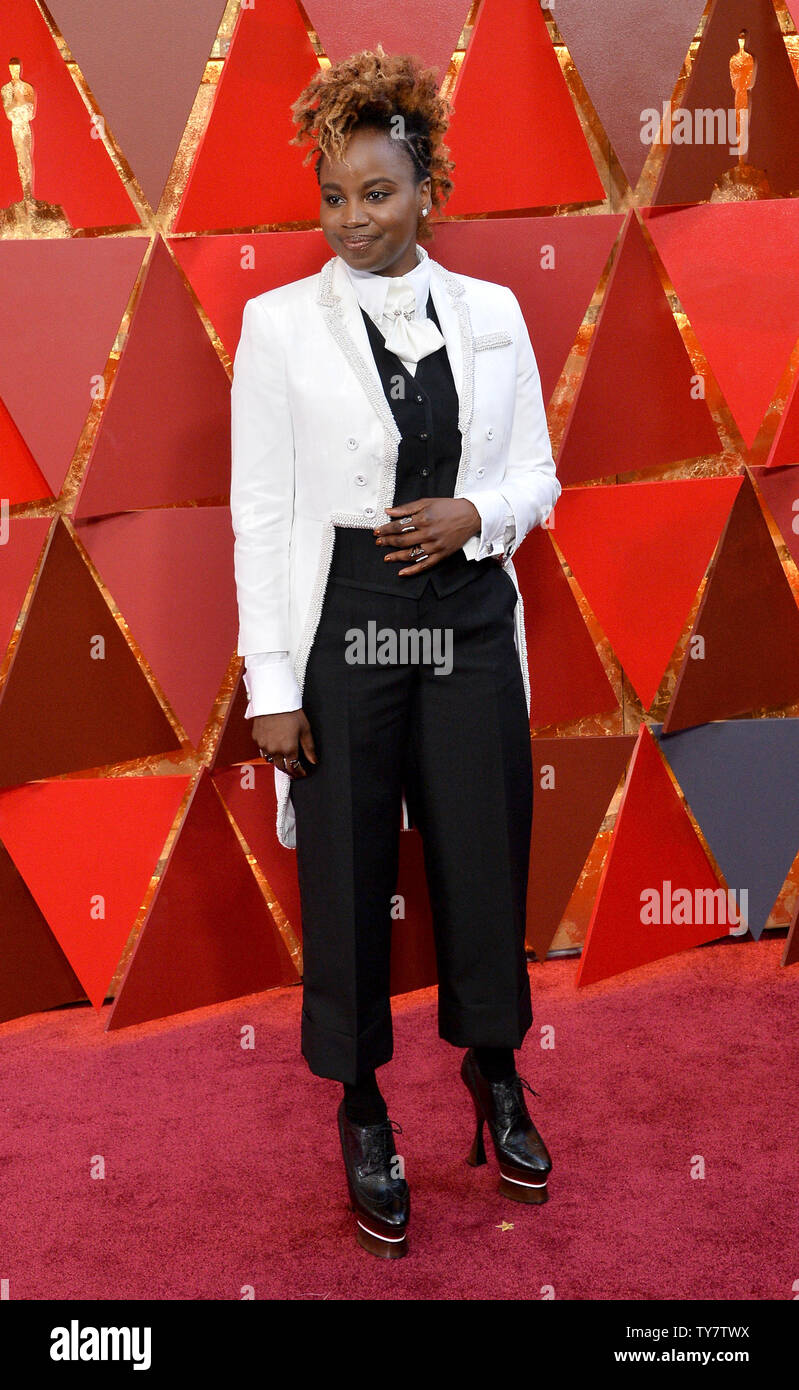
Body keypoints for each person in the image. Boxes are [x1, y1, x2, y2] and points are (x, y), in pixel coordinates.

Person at [229, 46, 561, 1260]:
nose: (353, 219)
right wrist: (273, 686)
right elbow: (260, 510)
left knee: (483, 853)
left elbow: (538, 472)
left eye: (376, 193)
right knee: (349, 874)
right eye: (333, 197)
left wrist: (480, 515)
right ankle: (363, 1110)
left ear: (426, 191)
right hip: (347, 623)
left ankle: (494, 1074)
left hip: (467, 618)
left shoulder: (493, 313)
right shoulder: (275, 327)